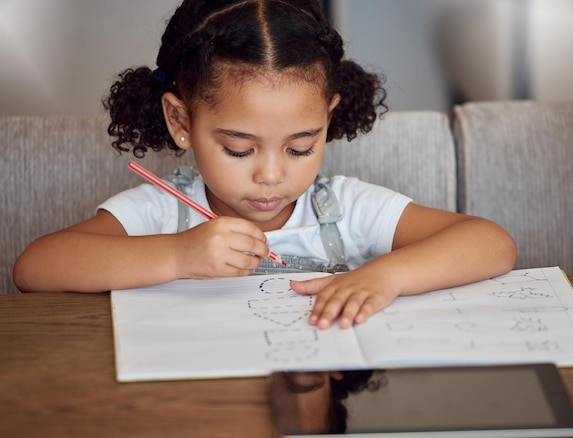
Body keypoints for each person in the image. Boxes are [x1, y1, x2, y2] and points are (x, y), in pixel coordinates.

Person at [13, 0, 517, 330]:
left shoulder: (342, 208)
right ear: (180, 119)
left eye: (300, 147)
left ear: (328, 118)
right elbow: (35, 268)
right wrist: (177, 256)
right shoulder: (165, 212)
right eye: (239, 149)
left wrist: (386, 276)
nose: (272, 175)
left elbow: (491, 244)